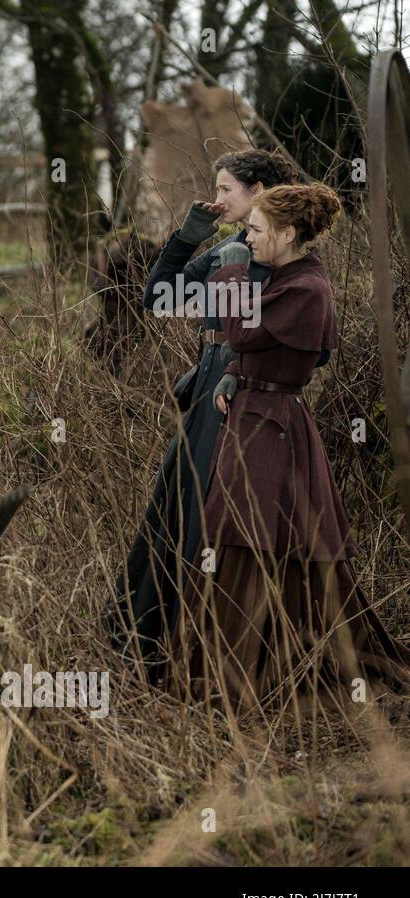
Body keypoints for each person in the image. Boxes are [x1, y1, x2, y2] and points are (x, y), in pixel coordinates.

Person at [173, 183, 410, 712]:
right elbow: (252, 347)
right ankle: (231, 670)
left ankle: (236, 681)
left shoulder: (308, 289)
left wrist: (231, 271)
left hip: (273, 428)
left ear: (286, 233)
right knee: (241, 531)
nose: (246, 237)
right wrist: (237, 374)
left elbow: (239, 329)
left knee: (248, 533)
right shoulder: (286, 277)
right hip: (255, 415)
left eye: (256, 230)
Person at [107, 149, 303, 668]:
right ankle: (151, 637)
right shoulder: (230, 249)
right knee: (178, 500)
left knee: (209, 516)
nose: (215, 200)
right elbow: (156, 298)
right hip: (208, 385)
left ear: (259, 190)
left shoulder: (278, 255)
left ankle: (204, 651)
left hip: (244, 388)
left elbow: (275, 331)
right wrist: (189, 235)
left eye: (225, 191)